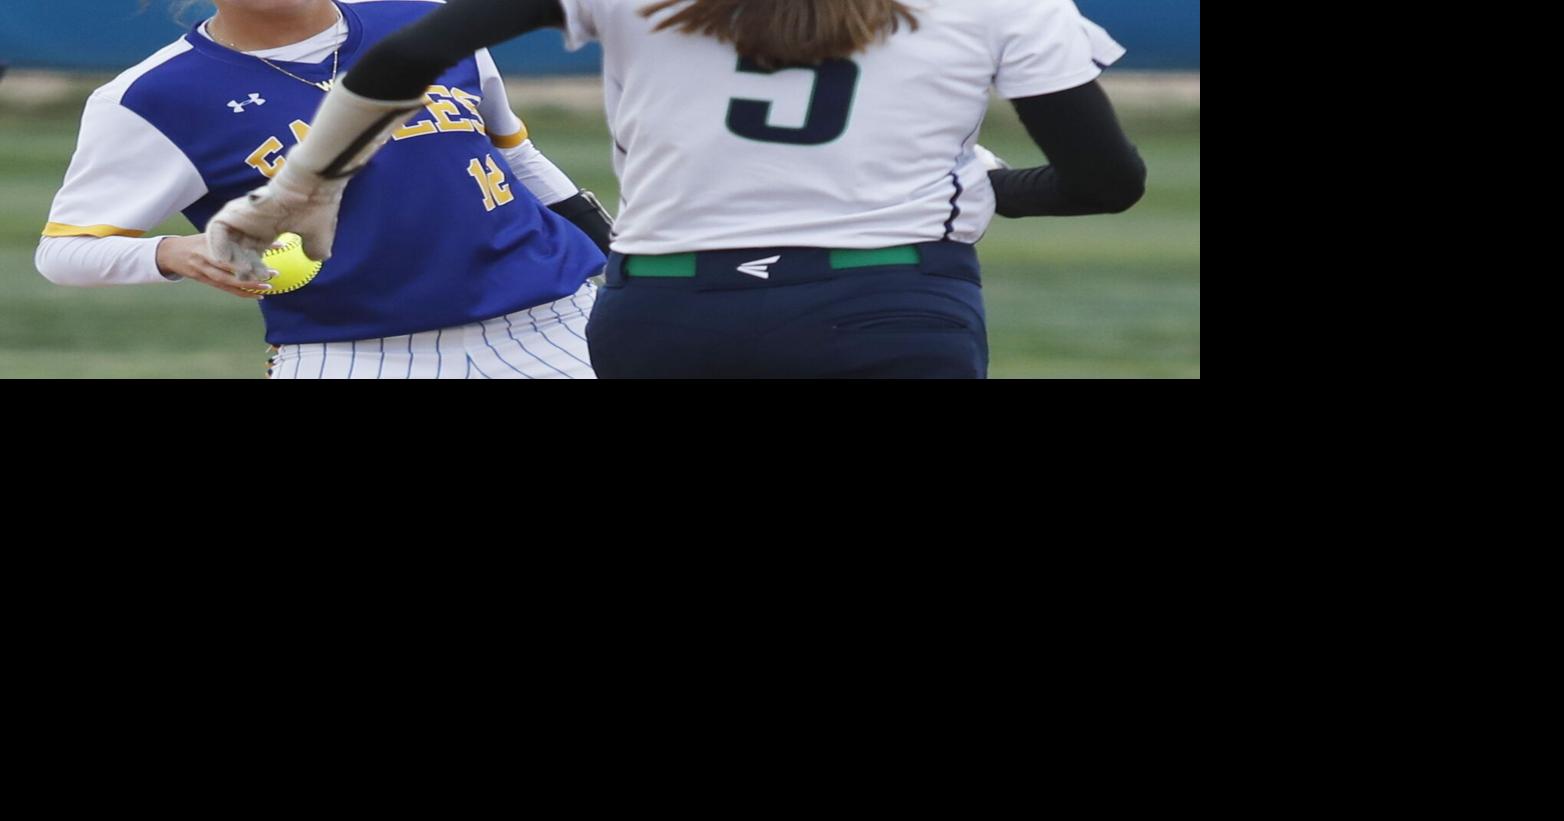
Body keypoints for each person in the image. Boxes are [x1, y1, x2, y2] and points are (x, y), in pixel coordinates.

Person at [207, 0, 1148, 378]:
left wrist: (304, 187)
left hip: (669, 310)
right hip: (889, 301)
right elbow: (1109, 182)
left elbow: (411, 52)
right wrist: (980, 188)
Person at [37, 0, 611, 379]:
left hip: (556, 327)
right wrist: (171, 253)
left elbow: (515, 155)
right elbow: (64, 252)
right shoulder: (150, 96)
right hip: (352, 355)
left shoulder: (426, 21)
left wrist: (614, 252)